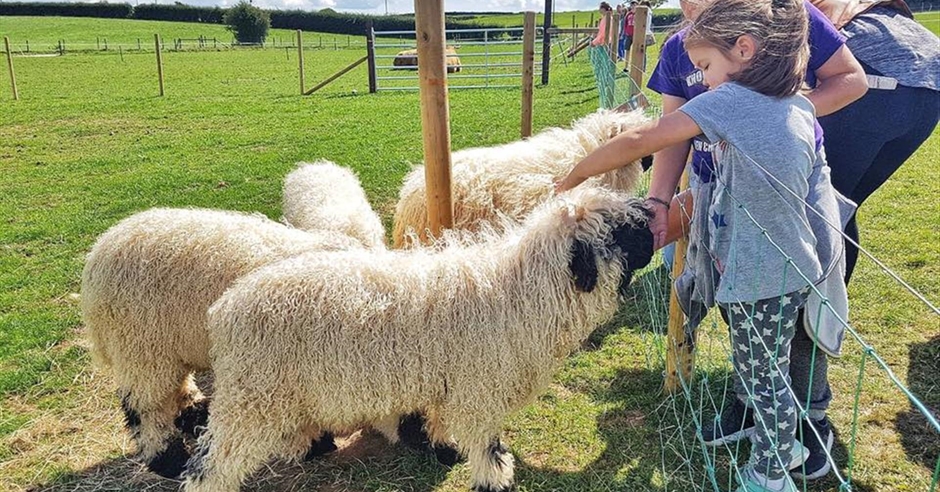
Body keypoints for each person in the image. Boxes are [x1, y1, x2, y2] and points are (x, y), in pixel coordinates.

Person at [556, 2, 847, 490]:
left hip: (761, 272)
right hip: (789, 265)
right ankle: (784, 443)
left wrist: (577, 174)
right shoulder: (795, 103)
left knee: (764, 378)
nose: (704, 80)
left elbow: (643, 138)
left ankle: (771, 472)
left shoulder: (731, 100)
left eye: (707, 67)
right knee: (764, 365)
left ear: (745, 50)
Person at [646, 0, 868, 481]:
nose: (689, 5)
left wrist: (774, 115)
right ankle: (754, 406)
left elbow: (852, 79)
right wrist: (659, 200)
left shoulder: (787, 15)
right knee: (743, 310)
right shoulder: (677, 47)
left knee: (796, 310)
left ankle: (808, 419)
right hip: (719, 197)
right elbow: (671, 133)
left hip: (782, 191)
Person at [810, 0, 940, 284]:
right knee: (840, 204)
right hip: (930, 76)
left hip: (874, 71)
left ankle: (815, 318)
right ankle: (824, 316)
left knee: (824, 203)